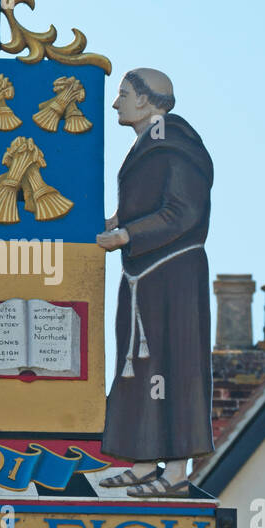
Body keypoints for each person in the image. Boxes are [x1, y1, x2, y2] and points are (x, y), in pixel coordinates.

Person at [95, 68, 214, 497]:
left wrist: (127, 235)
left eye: (124, 95)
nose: (115, 104)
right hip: (144, 273)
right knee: (139, 365)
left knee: (176, 366)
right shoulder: (150, 143)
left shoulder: (178, 146)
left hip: (174, 275)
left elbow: (183, 212)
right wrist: (116, 223)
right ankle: (144, 461)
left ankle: (177, 470)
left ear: (146, 101)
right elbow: (145, 206)